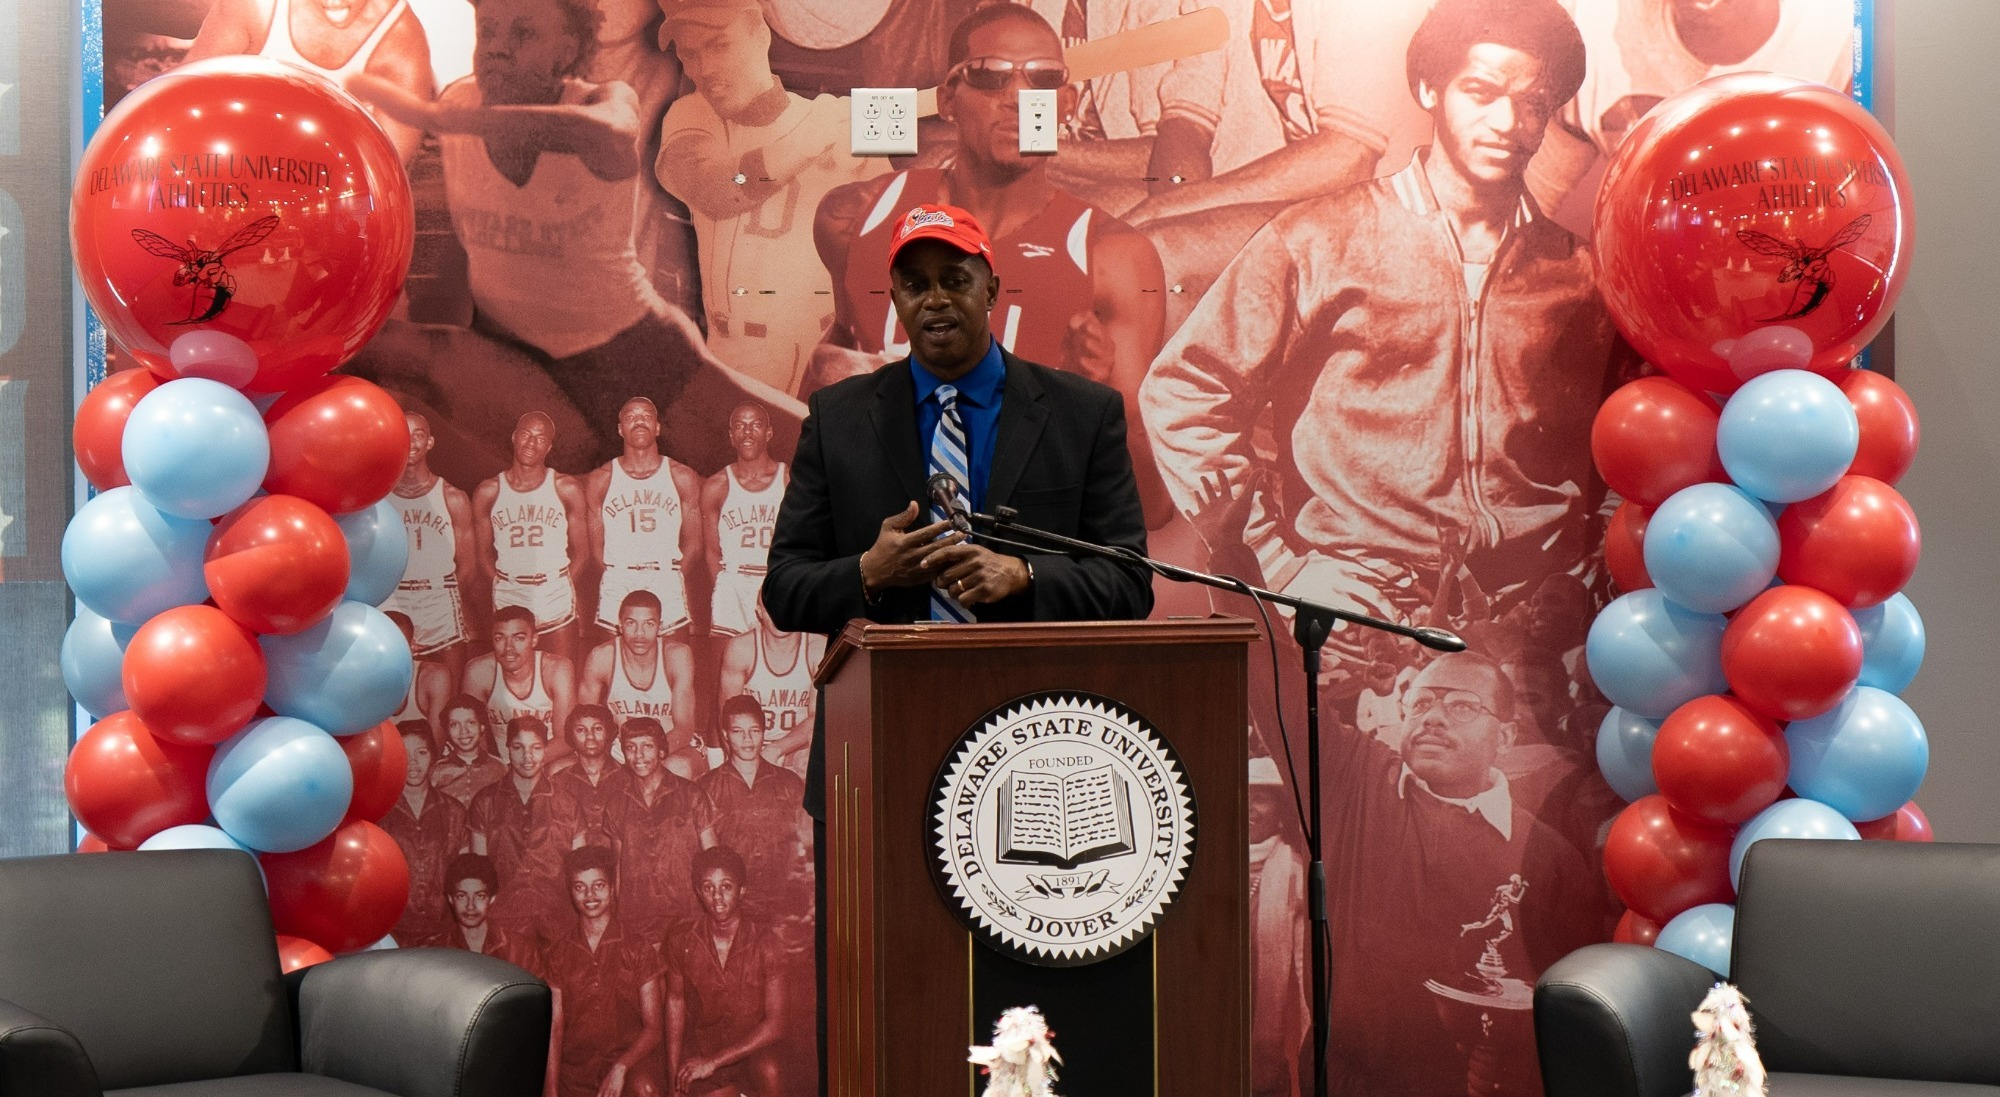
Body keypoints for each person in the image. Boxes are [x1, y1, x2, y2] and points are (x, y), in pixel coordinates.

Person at [1140, 0, 1620, 662]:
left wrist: (1595, 561)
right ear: (1429, 88)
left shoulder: (1585, 275)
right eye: (1480, 91)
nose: (1508, 122)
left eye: (1533, 102)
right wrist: (1279, 568)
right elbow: (1184, 393)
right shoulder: (1319, 239)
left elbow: (1638, 432)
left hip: (1533, 629)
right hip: (1356, 616)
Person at [765, 199, 1153, 808]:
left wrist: (1023, 576)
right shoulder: (836, 419)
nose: (935, 299)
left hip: (1037, 751)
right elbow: (785, 590)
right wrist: (870, 573)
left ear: (992, 288)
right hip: (876, 750)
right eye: (915, 285)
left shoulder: (1081, 415)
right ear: (894, 300)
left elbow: (1130, 583)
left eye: (955, 280)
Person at [345, 0, 803, 478]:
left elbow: (606, 132)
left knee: (802, 448)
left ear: (566, 50)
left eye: (523, 35)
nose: (499, 49)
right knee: (384, 349)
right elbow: (463, 254)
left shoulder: (603, 103)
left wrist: (441, 121)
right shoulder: (458, 103)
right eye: (490, 31)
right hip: (516, 358)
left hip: (632, 352)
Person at [807, 3, 1174, 527]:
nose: (1020, 99)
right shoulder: (857, 219)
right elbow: (812, 439)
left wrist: (1097, 400)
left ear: (1065, 104)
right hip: (884, 573)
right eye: (990, 76)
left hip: (1018, 584)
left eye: (1043, 79)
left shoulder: (1112, 259)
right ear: (948, 100)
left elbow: (1151, 507)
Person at [1320, 652, 1596, 1095]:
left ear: (1504, 737)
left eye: (1462, 706)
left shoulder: (1551, 859)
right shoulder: (1359, 782)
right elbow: (1272, 684)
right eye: (1422, 703)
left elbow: (1569, 1013)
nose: (1433, 718)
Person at [654, 0, 884, 396]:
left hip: (825, 353)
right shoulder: (692, 114)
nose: (704, 70)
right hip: (739, 358)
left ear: (759, 35)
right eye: (689, 54)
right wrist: (811, 139)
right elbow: (717, 189)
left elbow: (894, 251)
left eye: (718, 46)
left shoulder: (837, 120)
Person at [1526, 0, 1855, 229]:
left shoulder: (1843, 43)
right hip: (1651, 291)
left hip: (1784, 288)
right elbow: (1521, 208)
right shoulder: (1591, 30)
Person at [183, 0, 435, 162]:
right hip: (229, 166)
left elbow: (386, 182)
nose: (333, 1)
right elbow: (178, 95)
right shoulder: (253, 7)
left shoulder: (402, 45)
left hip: (328, 188)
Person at [542, 845, 665, 1097]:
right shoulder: (558, 953)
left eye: (598, 885)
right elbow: (554, 1027)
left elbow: (654, 1027)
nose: (589, 895)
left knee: (646, 1089)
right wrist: (551, 1089)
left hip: (630, 1063)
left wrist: (621, 1067)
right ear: (570, 891)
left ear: (612, 888)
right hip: (575, 1071)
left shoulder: (638, 947)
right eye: (580, 887)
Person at [663, 846, 785, 1097]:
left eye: (726, 886)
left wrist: (715, 1062)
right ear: (698, 892)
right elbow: (675, 1003)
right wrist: (673, 1078)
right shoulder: (681, 941)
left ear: (741, 890)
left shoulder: (767, 943)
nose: (717, 896)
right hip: (702, 1050)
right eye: (708, 887)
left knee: (770, 1070)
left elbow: (776, 1023)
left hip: (752, 1050)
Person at [473, 411, 590, 669]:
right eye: (526, 435)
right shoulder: (489, 491)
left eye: (540, 438)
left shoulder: (565, 488)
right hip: (510, 591)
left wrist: (561, 582)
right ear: (515, 437)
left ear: (548, 447)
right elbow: (481, 554)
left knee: (563, 672)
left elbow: (582, 553)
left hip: (553, 591)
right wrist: (503, 582)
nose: (531, 443)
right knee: (513, 679)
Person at [586, 397, 707, 641]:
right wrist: (620, 570)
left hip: (665, 576)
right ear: (620, 429)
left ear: (658, 427)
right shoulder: (601, 479)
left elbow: (694, 545)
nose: (639, 421)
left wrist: (670, 574)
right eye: (630, 417)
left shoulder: (681, 476)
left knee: (675, 658)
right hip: (618, 578)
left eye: (646, 416)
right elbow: (596, 549)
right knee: (613, 664)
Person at [382, 411, 481, 684]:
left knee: (450, 687)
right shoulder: (380, 499)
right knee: (391, 684)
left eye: (419, 435)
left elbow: (469, 567)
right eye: (405, 434)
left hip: (439, 598)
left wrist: (439, 593)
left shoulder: (452, 498)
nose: (412, 442)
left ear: (430, 443)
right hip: (394, 599)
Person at [468, 714, 586, 939]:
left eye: (536, 748)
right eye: (518, 748)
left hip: (557, 921)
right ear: (508, 750)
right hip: (503, 921)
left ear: (545, 751)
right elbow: (479, 871)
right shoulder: (485, 801)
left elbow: (578, 870)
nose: (527, 757)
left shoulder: (567, 802)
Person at [608, 716, 719, 939]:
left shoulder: (692, 795)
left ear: (661, 751)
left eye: (647, 747)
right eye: (631, 748)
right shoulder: (616, 804)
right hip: (638, 919)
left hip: (686, 915)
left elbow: (712, 858)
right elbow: (619, 867)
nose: (639, 756)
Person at [698, 696, 806, 923]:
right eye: (738, 732)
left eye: (754, 731)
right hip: (735, 907)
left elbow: (805, 846)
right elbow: (709, 857)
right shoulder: (706, 787)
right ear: (726, 735)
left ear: (764, 732)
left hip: (783, 902)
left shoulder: (790, 783)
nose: (747, 739)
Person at [580, 590, 702, 778]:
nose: (639, 633)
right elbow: (583, 722)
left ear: (660, 627)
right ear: (620, 625)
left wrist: (646, 757)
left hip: (670, 749)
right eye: (631, 623)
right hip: (621, 752)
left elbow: (684, 728)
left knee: (677, 768)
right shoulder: (602, 657)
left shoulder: (677, 655)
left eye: (649, 624)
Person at [702, 402, 788, 639]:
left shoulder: (789, 480)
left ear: (768, 433)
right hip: (733, 584)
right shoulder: (716, 486)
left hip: (774, 581)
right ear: (731, 436)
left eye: (755, 425)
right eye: (740, 426)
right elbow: (711, 551)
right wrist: (723, 588)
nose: (747, 432)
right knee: (727, 666)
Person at [381, 720, 470, 944]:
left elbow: (462, 875)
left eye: (421, 752)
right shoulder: (381, 812)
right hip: (393, 932)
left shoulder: (453, 811)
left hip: (444, 933)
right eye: (405, 753)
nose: (413, 762)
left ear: (433, 756)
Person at [716, 597, 821, 776]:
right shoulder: (741, 649)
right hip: (749, 744)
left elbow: (819, 718)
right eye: (771, 610)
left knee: (809, 762)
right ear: (759, 612)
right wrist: (745, 762)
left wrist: (776, 749)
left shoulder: (818, 649)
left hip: (794, 746)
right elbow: (726, 715)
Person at [464, 604, 577, 768]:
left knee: (562, 768)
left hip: (549, 760)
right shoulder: (478, 671)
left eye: (518, 638)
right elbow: (473, 736)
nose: (508, 648)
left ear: (534, 639)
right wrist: (491, 769)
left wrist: (520, 766)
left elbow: (566, 739)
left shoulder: (557, 669)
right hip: (505, 766)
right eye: (500, 638)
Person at [422, 852, 543, 972]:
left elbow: (537, 990)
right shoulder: (436, 951)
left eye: (480, 896)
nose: (470, 906)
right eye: (461, 896)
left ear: (492, 899)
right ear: (450, 899)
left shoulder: (520, 949)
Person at [549, 704, 631, 851]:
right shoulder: (559, 781)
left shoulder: (629, 779)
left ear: (609, 733)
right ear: (571, 736)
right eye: (581, 730)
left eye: (598, 728)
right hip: (576, 865)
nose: (590, 736)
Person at [429, 693, 509, 808]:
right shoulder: (437, 771)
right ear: (447, 730)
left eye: (470, 723)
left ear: (482, 726)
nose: (463, 731)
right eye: (454, 724)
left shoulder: (499, 768)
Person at [385, 609, 454, 732]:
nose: (392, 651)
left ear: (412, 646)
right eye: (386, 644)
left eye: (400, 645)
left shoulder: (434, 676)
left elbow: (435, 745)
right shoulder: (360, 676)